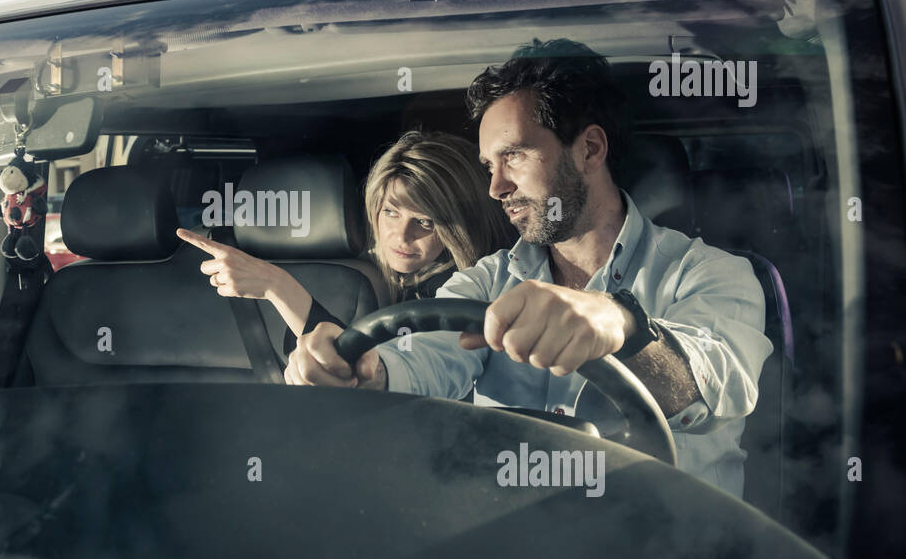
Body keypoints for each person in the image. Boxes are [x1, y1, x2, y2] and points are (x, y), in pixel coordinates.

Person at [283, 38, 773, 498]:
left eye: (513, 156)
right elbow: (427, 356)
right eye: (488, 165)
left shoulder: (709, 272)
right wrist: (369, 371)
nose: (496, 187)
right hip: (512, 555)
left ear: (590, 149)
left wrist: (620, 323)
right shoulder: (486, 281)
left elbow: (711, 390)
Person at [176, 131, 513, 351]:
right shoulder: (357, 265)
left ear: (460, 227)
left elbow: (366, 377)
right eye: (391, 213)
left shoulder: (462, 294)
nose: (401, 235)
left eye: (425, 222)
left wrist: (277, 285)